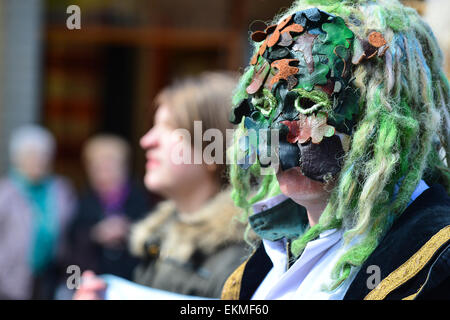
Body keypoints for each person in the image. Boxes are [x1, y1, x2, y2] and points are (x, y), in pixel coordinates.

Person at [222, 0, 450, 300]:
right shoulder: (265, 253)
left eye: (308, 104)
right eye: (266, 104)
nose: (279, 129)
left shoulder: (434, 262)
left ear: (381, 119)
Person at [74, 71, 249, 299]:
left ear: (213, 147)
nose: (146, 141)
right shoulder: (158, 240)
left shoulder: (242, 262)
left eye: (168, 127)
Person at [0, 125, 76, 299]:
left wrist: (72, 281)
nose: (39, 161)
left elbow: (73, 236)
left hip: (51, 275)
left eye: (44, 155)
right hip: (9, 280)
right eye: (31, 155)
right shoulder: (5, 192)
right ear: (17, 158)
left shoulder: (61, 190)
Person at [69, 134, 153, 281]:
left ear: (124, 168)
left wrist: (129, 230)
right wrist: (95, 234)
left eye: (110, 168)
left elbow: (153, 247)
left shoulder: (141, 200)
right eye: (98, 169)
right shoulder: (83, 202)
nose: (104, 175)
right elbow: (69, 248)